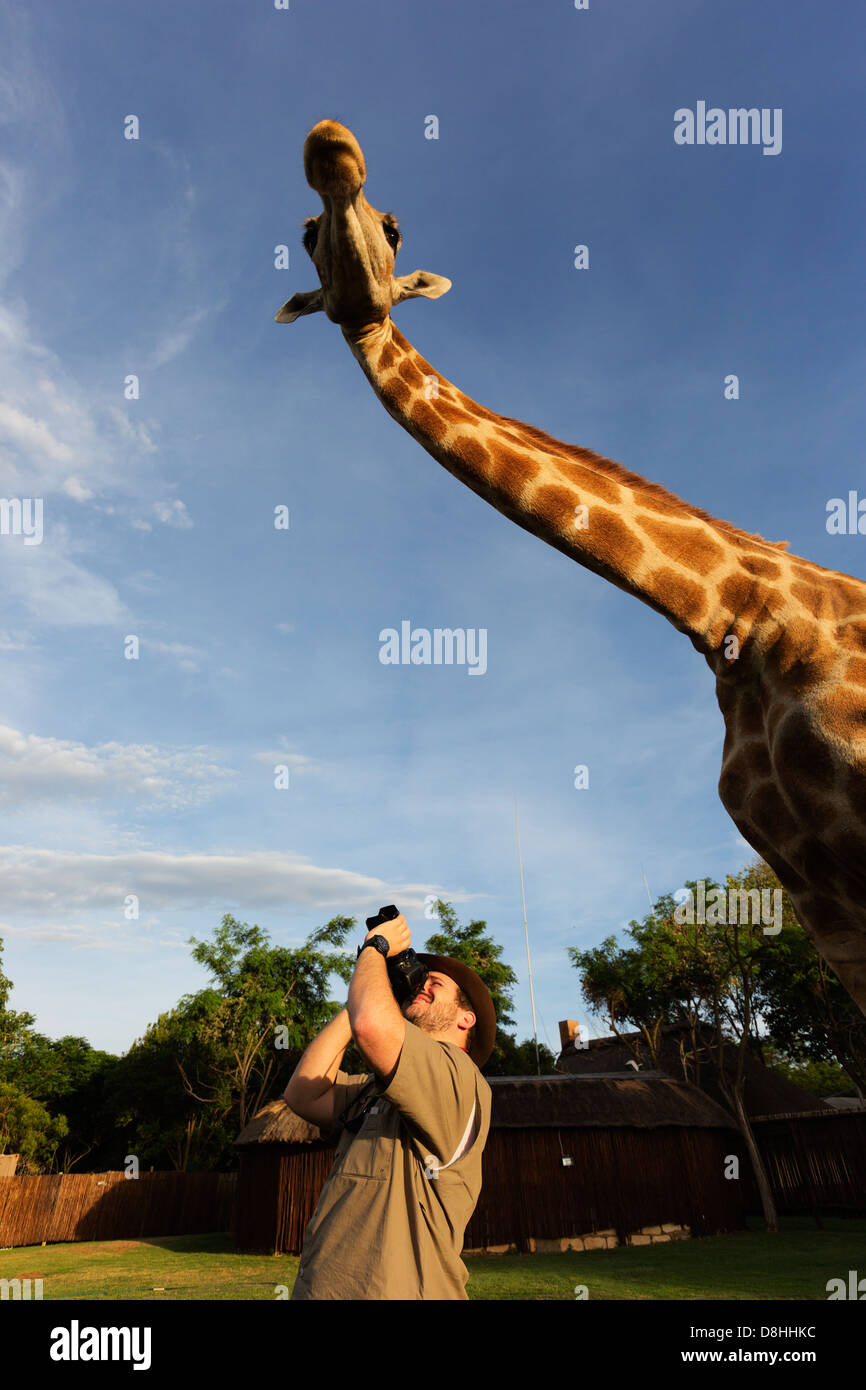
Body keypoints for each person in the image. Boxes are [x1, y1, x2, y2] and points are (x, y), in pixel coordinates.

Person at [285, 909, 496, 1300]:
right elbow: (303, 1093)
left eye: (435, 984)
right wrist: (365, 996)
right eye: (419, 980)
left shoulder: (460, 1079)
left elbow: (374, 1028)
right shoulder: (377, 1090)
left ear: (466, 1018)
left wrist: (375, 949)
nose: (420, 986)